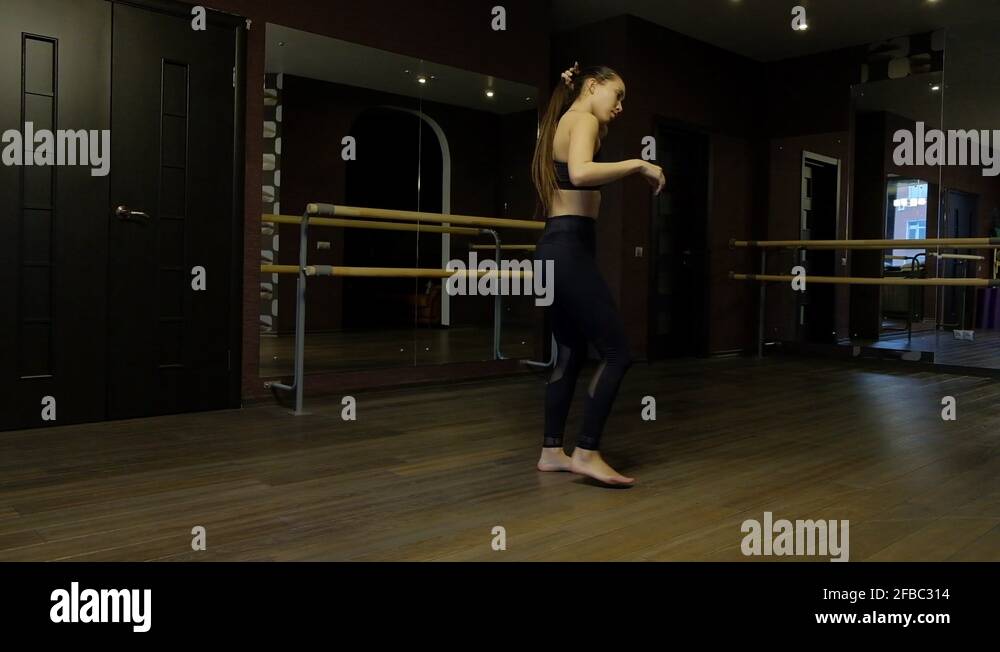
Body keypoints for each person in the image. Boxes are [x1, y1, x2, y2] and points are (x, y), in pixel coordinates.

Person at [530, 62, 665, 486]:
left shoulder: (566, 120)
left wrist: (574, 94)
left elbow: (583, 159)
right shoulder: (583, 117)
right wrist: (638, 165)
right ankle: (587, 451)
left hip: (553, 249)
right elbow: (582, 173)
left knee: (568, 354)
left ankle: (553, 450)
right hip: (568, 251)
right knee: (617, 352)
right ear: (594, 85)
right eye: (618, 95)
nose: (621, 105)